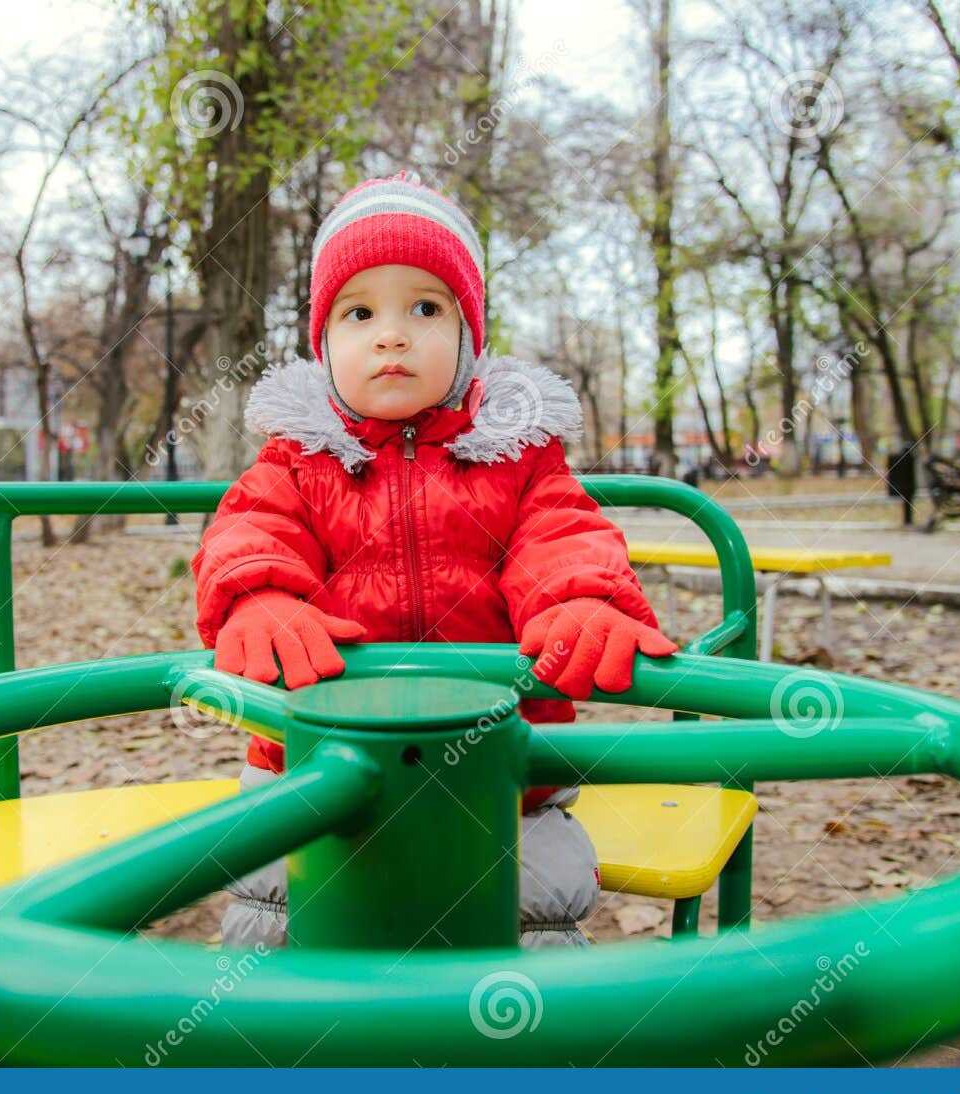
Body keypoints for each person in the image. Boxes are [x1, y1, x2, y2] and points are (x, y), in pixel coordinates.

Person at [190, 171, 676, 950]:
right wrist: (259, 599)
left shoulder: (518, 458)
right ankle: (277, 1051)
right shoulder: (298, 459)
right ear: (324, 344)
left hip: (499, 765)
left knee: (537, 907)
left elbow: (561, 535)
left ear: (469, 337)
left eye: (424, 307)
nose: (392, 334)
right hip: (314, 758)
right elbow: (250, 531)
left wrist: (580, 600)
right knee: (272, 901)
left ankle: (517, 1047)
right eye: (359, 312)